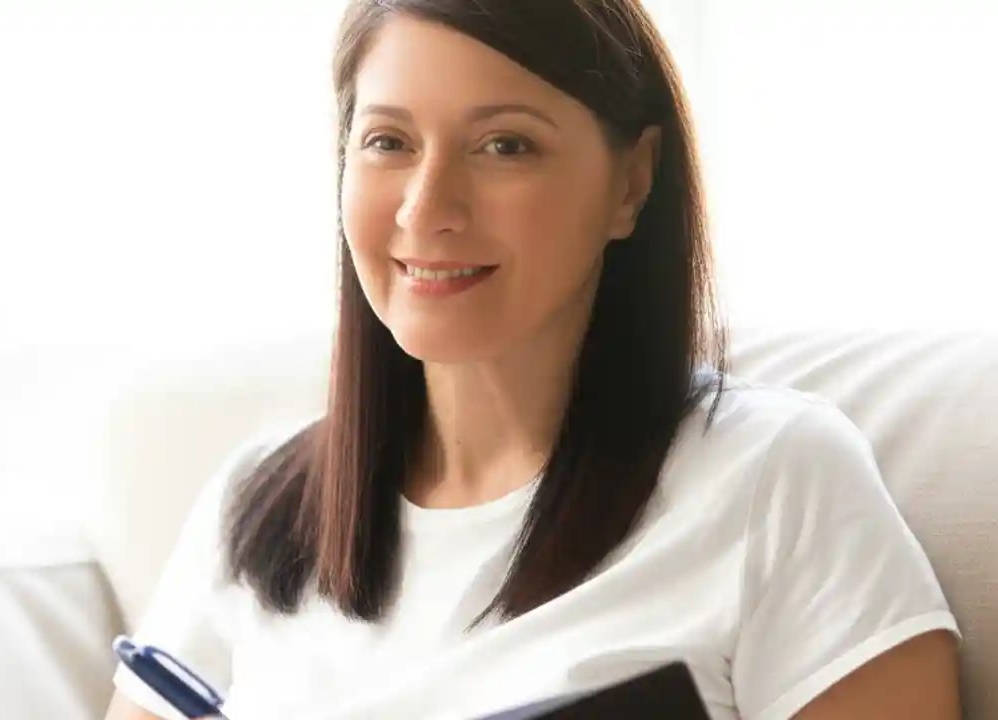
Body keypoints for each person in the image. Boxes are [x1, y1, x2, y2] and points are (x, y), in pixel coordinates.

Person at [104, 1, 961, 718]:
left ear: (632, 182)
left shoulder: (776, 477)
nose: (426, 209)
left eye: (504, 145)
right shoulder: (254, 507)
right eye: (388, 142)